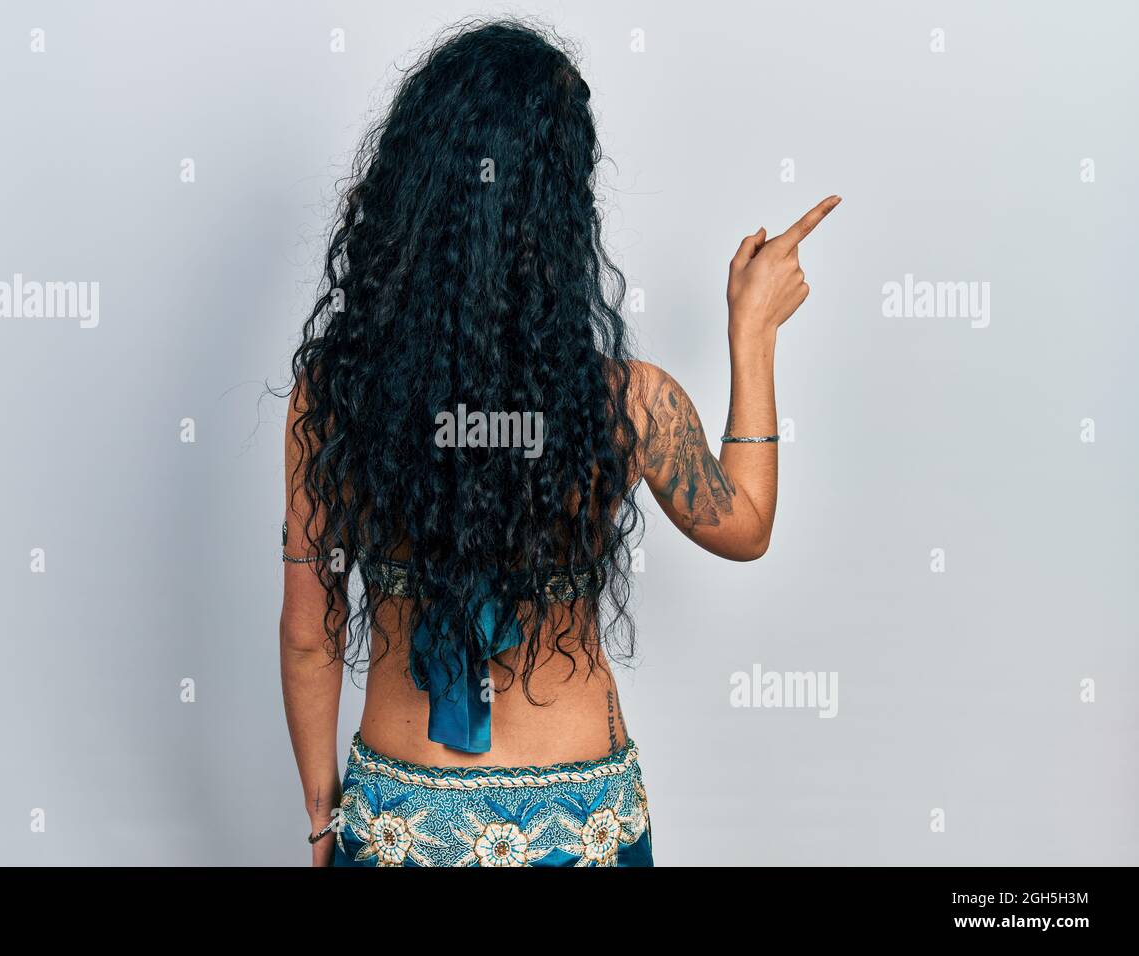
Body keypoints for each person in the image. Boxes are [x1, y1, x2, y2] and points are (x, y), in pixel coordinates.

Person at [279, 19, 838, 867]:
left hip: (401, 825)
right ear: (562, 212)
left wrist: (324, 822)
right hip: (580, 831)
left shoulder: (337, 397)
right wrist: (752, 334)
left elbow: (310, 631)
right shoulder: (627, 404)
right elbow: (746, 527)